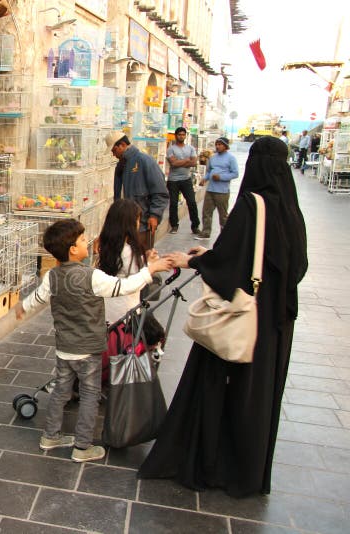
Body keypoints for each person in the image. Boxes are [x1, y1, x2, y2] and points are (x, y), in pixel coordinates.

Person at [138, 136, 308, 498]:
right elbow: (289, 265)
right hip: (275, 325)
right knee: (258, 396)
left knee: (223, 388)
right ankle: (247, 471)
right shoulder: (290, 209)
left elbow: (232, 266)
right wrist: (215, 254)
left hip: (242, 318)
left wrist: (195, 260)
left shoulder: (252, 204)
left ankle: (212, 464)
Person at [15, 219, 172, 462]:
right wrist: (150, 270)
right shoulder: (92, 277)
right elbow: (125, 286)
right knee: (90, 395)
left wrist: (22, 307)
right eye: (81, 239)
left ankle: (51, 436)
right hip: (88, 350)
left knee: (60, 392)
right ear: (72, 250)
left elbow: (37, 297)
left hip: (64, 349)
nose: (86, 241)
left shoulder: (52, 277)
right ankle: (82, 447)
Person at [96, 199, 155, 324]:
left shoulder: (107, 245)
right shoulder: (129, 251)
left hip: (108, 308)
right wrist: (151, 265)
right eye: (138, 220)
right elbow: (137, 280)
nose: (139, 224)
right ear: (130, 223)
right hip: (126, 311)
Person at [107, 131, 169, 248]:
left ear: (122, 145)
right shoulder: (120, 165)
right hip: (123, 225)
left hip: (142, 225)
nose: (113, 154)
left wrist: (154, 215)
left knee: (141, 258)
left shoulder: (145, 161)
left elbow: (160, 192)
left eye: (114, 150)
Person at [196, 137, 238, 240]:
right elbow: (209, 171)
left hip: (222, 191)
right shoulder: (212, 158)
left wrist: (221, 177)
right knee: (206, 212)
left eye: (220, 144)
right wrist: (204, 179)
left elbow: (235, 173)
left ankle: (224, 235)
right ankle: (205, 233)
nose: (218, 146)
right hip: (210, 189)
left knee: (223, 215)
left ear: (226, 146)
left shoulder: (231, 158)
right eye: (217, 144)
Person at [165, 127, 201, 234]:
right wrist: (186, 160)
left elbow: (194, 163)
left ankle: (195, 226)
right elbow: (173, 164)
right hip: (173, 180)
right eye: (179, 134)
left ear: (185, 136)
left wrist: (180, 162)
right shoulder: (171, 149)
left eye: (183, 134)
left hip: (186, 179)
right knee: (174, 203)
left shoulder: (190, 148)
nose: (181, 136)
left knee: (191, 202)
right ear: (176, 136)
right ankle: (174, 226)